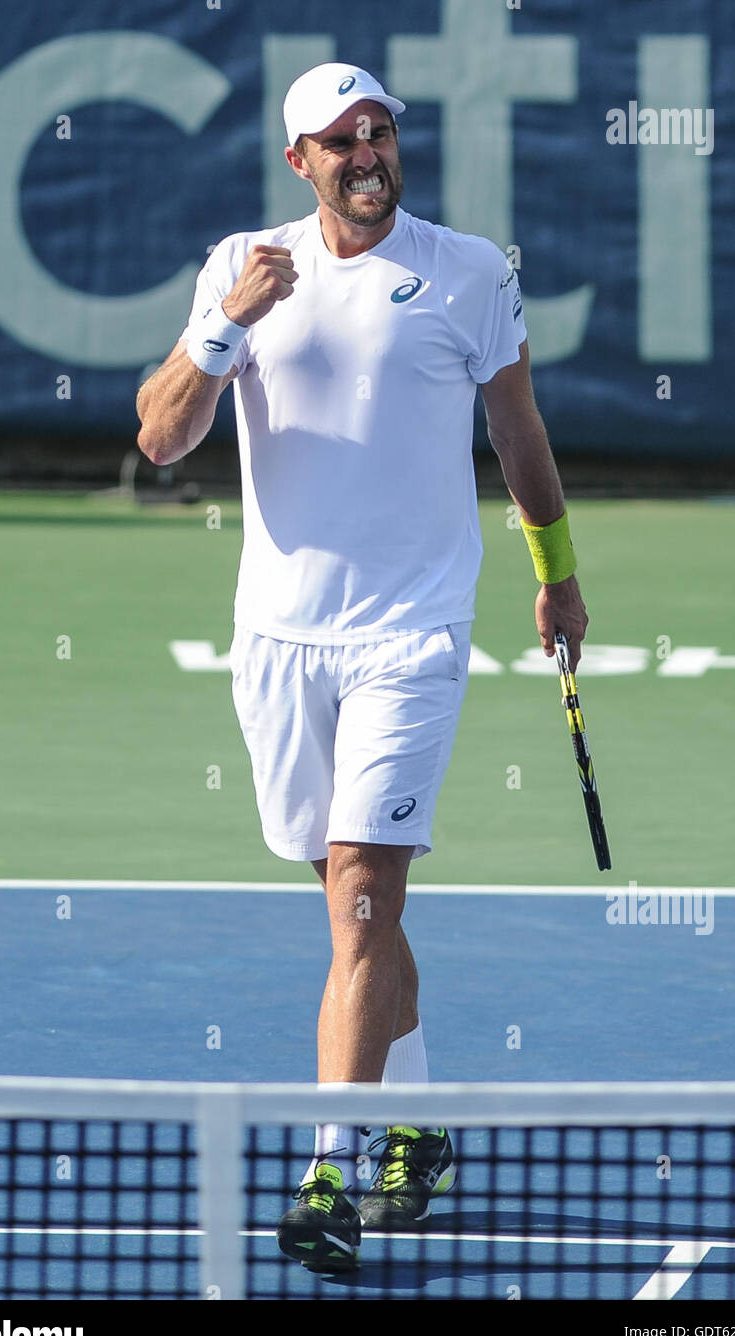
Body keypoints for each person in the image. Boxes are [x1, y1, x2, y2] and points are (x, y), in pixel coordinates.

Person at [136, 61, 588, 1273]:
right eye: (340, 140)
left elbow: (517, 429)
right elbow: (161, 434)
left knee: (359, 894)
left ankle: (328, 1167)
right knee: (348, 907)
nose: (366, 154)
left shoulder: (469, 273)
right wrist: (228, 320)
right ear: (301, 162)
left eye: (379, 131)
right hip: (280, 641)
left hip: (414, 634)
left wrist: (554, 568)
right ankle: (419, 1125)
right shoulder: (244, 264)